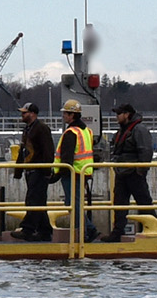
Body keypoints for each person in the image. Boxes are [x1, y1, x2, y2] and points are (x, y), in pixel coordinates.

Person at [105, 102, 151, 238]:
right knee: (119, 203)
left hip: (134, 173)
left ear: (127, 114)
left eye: (119, 114)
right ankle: (118, 231)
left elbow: (145, 151)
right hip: (122, 172)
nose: (116, 117)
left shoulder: (139, 129)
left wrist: (141, 171)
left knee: (144, 202)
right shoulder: (122, 131)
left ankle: (153, 228)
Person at [13, 102, 56, 242]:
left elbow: (48, 150)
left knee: (33, 200)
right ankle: (45, 231)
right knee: (39, 201)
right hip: (30, 170)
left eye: (25, 112)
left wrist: (46, 171)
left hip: (39, 171)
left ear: (32, 113)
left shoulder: (41, 128)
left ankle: (27, 229)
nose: (22, 115)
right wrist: (18, 171)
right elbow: (23, 150)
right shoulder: (28, 129)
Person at [57, 102, 98, 241]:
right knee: (75, 203)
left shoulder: (71, 133)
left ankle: (86, 232)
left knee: (73, 205)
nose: (63, 116)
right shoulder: (87, 131)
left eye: (65, 113)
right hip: (84, 173)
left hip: (72, 173)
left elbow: (66, 157)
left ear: (72, 115)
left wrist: (57, 174)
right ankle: (88, 230)